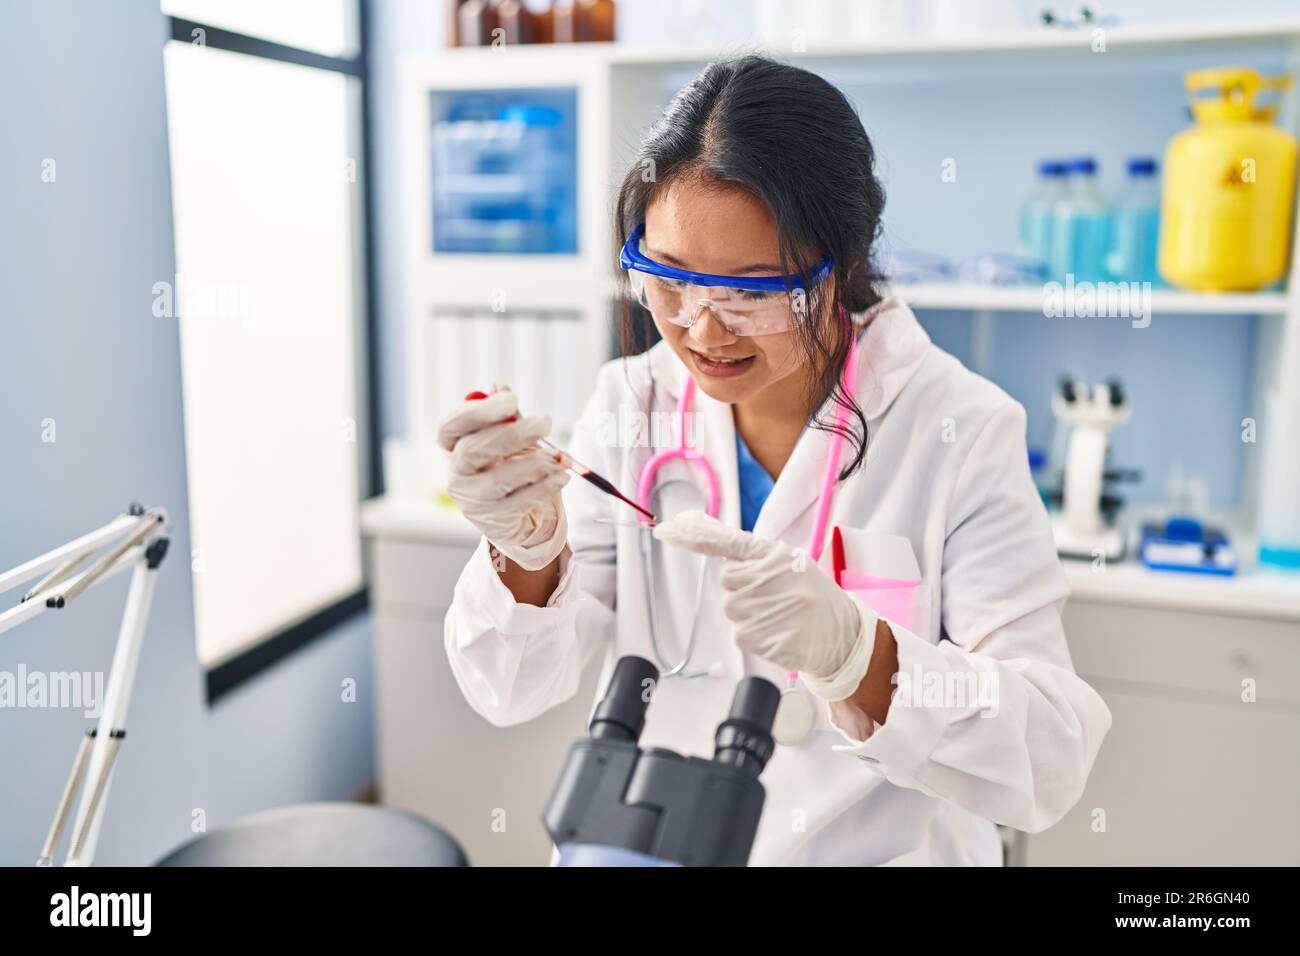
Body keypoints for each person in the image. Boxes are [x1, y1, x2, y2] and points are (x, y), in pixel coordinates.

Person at [437, 54, 1111, 866]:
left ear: (843, 264)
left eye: (754, 292)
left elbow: (1052, 757)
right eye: (669, 278)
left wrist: (861, 657)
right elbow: (511, 688)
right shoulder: (631, 405)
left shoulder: (960, 429)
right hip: (651, 843)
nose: (703, 330)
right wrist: (526, 557)